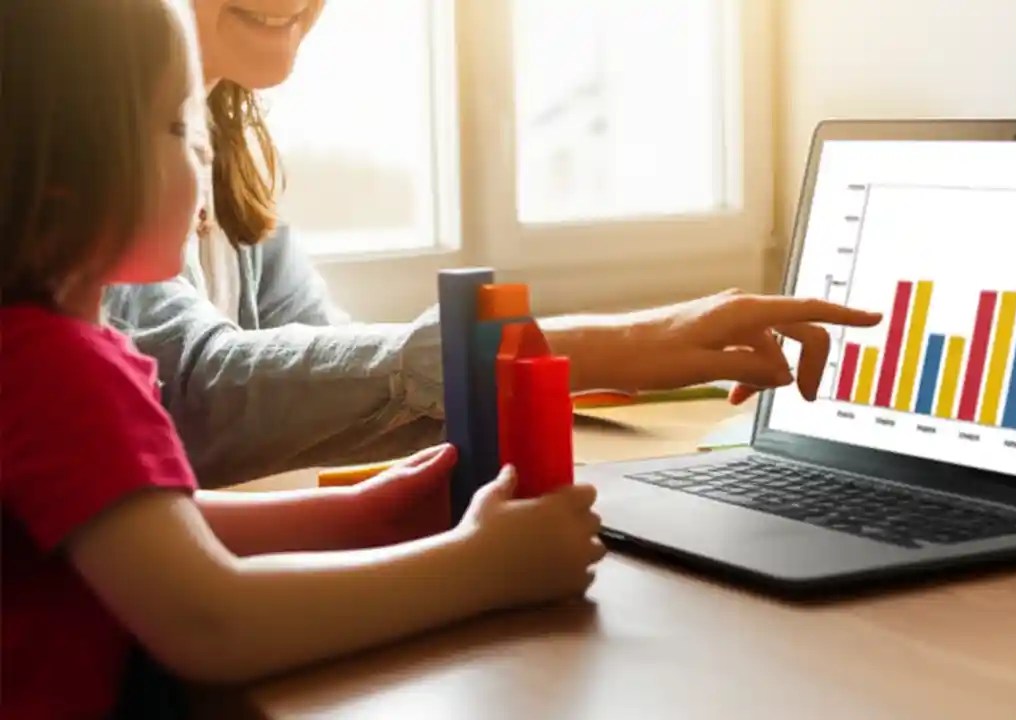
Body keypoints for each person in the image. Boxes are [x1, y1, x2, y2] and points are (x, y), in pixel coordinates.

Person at [1, 2, 603, 716]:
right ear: (61, 179)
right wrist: (484, 568)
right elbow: (212, 622)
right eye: (175, 125)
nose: (203, 149)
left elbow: (143, 526)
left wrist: (350, 516)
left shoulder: (37, 353)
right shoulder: (59, 373)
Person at [104, 0, 883, 488]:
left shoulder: (228, 151)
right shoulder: (82, 164)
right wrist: (603, 343)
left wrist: (569, 374)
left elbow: (328, 373)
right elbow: (194, 397)